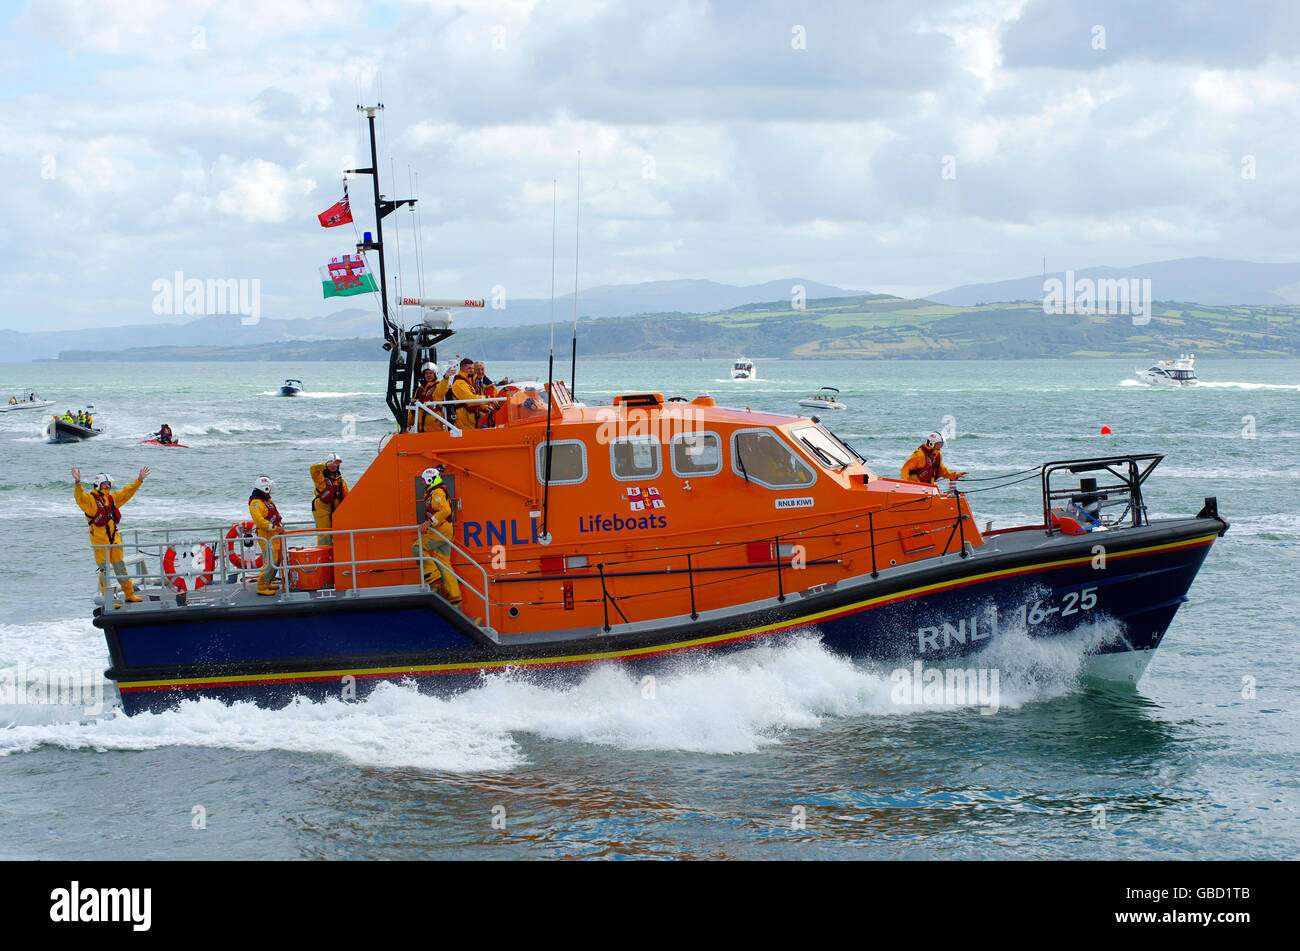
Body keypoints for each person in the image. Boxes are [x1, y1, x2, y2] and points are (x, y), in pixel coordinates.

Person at [72, 467, 149, 606]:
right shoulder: (90, 500)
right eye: (104, 484)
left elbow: (126, 492)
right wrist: (78, 483)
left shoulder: (112, 499)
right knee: (105, 570)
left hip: (115, 540)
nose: (107, 486)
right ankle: (108, 599)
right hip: (101, 543)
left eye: (108, 484)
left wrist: (139, 481)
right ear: (98, 485)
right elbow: (80, 498)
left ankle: (129, 594)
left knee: (121, 568)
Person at [411, 466, 461, 606]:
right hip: (443, 529)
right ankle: (455, 597)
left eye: (423, 480)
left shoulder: (437, 492)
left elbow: (445, 510)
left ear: (429, 479)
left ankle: (432, 576)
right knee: (444, 562)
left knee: (417, 547)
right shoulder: (435, 491)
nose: (422, 483)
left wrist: (429, 523)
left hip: (441, 530)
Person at [248, 476, 286, 596]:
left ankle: (267, 582)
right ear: (265, 488)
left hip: (273, 536)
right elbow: (260, 521)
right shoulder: (256, 503)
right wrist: (275, 528)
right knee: (270, 562)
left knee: (276, 561)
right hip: (267, 536)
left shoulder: (266, 501)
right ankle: (261, 585)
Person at [310, 452, 349, 545]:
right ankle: (324, 558)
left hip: (336, 511)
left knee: (339, 537)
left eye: (336, 464)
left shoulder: (340, 480)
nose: (334, 466)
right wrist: (326, 465)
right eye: (332, 464)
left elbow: (348, 496)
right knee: (325, 537)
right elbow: (313, 469)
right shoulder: (320, 477)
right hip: (322, 511)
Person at [900, 432, 966, 486]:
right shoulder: (920, 454)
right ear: (932, 443)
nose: (940, 447)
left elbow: (942, 470)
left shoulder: (937, 456)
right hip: (915, 487)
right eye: (938, 444)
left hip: (927, 487)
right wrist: (905, 486)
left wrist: (955, 475)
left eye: (941, 444)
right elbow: (905, 469)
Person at [450, 358, 483, 432]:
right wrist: (487, 399)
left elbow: (476, 396)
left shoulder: (470, 382)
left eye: (472, 368)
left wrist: (485, 407)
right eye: (469, 368)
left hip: (471, 420)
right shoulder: (459, 383)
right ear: (461, 368)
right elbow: (470, 400)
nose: (471, 370)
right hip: (463, 422)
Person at [411, 362, 441, 433]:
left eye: (431, 373)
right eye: (426, 373)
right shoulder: (420, 389)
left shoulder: (439, 387)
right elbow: (412, 406)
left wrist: (446, 377)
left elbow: (444, 387)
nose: (428, 375)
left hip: (435, 427)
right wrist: (409, 421)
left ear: (435, 374)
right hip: (421, 427)